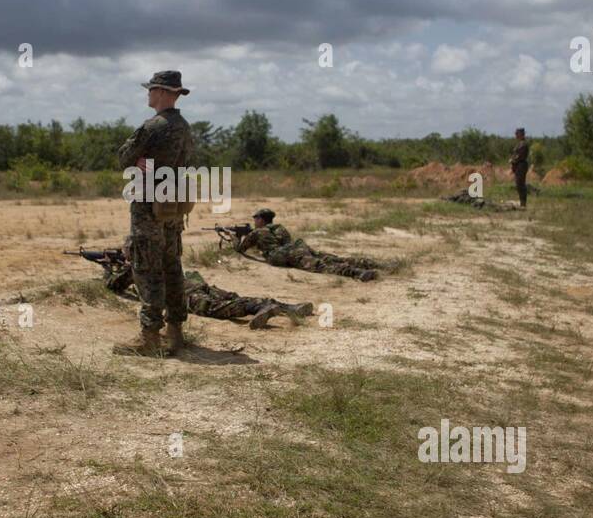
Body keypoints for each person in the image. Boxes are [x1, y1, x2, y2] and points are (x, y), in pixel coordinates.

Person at [113, 71, 195, 355]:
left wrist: (139, 161)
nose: (148, 94)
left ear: (161, 92)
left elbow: (124, 157)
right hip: (173, 205)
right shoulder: (184, 127)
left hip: (148, 205)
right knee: (172, 266)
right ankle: (175, 332)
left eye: (151, 89)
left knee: (146, 268)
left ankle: (149, 338)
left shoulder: (153, 127)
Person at [102, 245, 313, 328]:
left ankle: (262, 308)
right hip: (198, 284)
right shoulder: (161, 257)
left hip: (185, 294)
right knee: (232, 297)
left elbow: (114, 285)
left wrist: (107, 268)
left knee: (218, 308)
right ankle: (288, 308)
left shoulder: (136, 268)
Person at [234, 208, 395, 281]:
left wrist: (235, 237)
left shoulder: (257, 232)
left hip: (285, 255)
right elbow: (283, 241)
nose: (254, 220)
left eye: (256, 218)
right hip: (297, 247)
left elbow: (240, 249)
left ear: (261, 219)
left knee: (320, 266)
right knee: (330, 258)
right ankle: (374, 264)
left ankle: (357, 273)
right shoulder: (279, 228)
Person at [510, 128, 530, 209]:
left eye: (517, 133)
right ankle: (522, 203)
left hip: (521, 165)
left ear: (521, 134)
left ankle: (523, 203)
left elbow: (519, 156)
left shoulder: (523, 144)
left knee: (520, 184)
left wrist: (513, 160)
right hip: (518, 166)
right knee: (519, 184)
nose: (515, 135)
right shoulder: (520, 144)